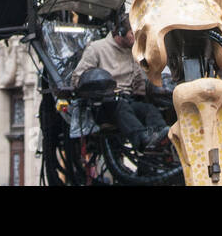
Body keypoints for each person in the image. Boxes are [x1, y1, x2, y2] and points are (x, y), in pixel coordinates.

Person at [70, 15, 168, 149]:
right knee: (121, 106)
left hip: (127, 100)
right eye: (133, 34)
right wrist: (97, 87)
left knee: (149, 109)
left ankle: (159, 136)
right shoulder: (97, 48)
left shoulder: (134, 53)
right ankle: (142, 139)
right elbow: (77, 78)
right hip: (104, 104)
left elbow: (139, 83)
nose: (136, 39)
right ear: (121, 32)